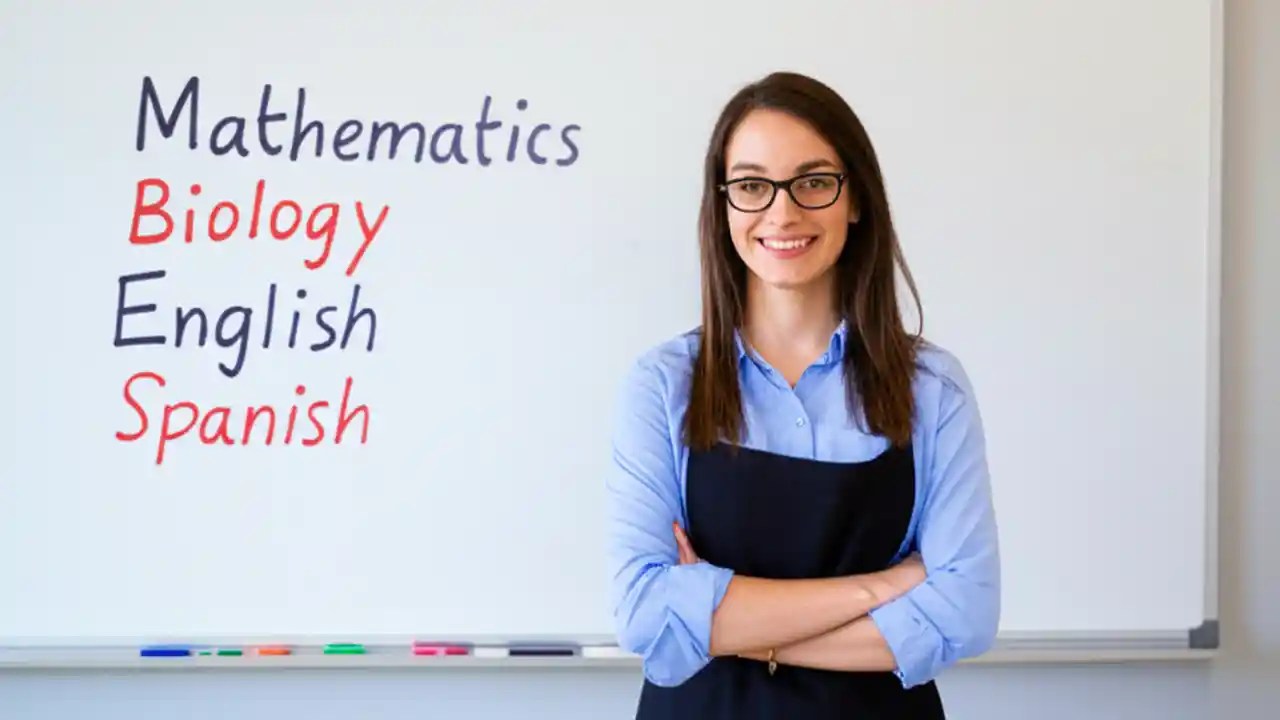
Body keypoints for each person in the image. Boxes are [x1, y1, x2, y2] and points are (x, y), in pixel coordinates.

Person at [604, 70, 1001, 718]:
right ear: (724, 204)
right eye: (752, 185)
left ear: (856, 199)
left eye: (814, 181)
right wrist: (882, 586)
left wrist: (725, 626)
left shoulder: (932, 388)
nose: (782, 212)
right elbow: (645, 613)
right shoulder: (662, 385)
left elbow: (964, 612)